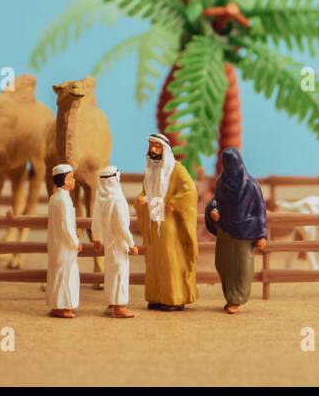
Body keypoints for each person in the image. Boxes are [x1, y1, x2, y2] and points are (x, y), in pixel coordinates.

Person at [135, 133, 198, 311]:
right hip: (154, 221)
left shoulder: (176, 169)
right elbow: (146, 192)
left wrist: (174, 203)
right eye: (151, 146)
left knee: (170, 259)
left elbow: (190, 190)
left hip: (169, 223)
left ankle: (173, 297)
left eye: (157, 146)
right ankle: (156, 295)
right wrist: (141, 199)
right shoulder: (150, 171)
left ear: (164, 149)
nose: (153, 150)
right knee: (155, 261)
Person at [204, 147, 267, 314]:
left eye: (232, 162)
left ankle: (236, 299)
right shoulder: (221, 183)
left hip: (244, 233)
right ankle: (229, 296)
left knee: (242, 267)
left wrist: (261, 234)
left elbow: (260, 210)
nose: (229, 166)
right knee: (223, 264)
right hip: (225, 230)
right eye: (226, 163)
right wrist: (213, 211)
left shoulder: (251, 185)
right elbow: (216, 201)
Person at [91, 166, 138, 318]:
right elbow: (121, 226)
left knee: (111, 273)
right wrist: (131, 243)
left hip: (108, 242)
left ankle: (111, 303)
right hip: (119, 243)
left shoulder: (100, 199)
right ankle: (119, 306)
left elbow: (96, 220)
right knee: (120, 273)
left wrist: (97, 238)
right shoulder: (117, 200)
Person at [46, 163, 81, 318]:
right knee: (66, 275)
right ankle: (63, 306)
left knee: (57, 274)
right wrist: (75, 242)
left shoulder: (55, 198)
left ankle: (56, 304)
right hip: (65, 245)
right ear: (65, 180)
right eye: (71, 178)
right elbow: (66, 226)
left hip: (57, 243)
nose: (74, 181)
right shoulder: (63, 200)